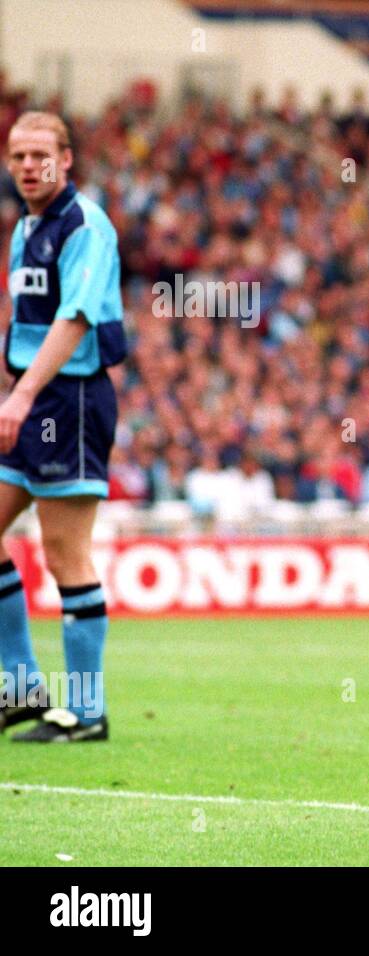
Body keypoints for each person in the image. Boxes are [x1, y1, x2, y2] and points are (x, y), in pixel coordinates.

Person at [0, 112, 126, 742]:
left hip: (70, 402)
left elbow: (74, 319)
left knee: (65, 554)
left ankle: (85, 711)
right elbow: (23, 321)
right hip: (31, 397)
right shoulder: (26, 228)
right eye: (17, 155)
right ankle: (20, 686)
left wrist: (20, 399)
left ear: (66, 159)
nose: (27, 166)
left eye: (39, 155)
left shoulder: (85, 224)